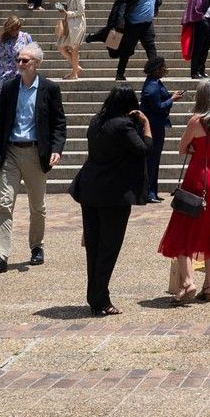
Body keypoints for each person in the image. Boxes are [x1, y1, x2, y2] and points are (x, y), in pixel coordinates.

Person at [0, 44, 65, 276]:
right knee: (5, 203)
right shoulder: (9, 88)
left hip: (36, 152)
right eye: (18, 60)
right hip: (11, 152)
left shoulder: (49, 88)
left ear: (36, 63)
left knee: (37, 206)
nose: (20, 64)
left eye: (25, 61)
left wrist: (56, 148)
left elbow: (59, 122)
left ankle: (37, 246)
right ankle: (0, 255)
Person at [71, 84, 150, 315]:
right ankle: (101, 297)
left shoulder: (97, 121)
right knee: (109, 246)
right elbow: (144, 149)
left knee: (94, 246)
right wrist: (146, 124)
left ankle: (94, 295)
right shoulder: (123, 125)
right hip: (113, 194)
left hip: (90, 189)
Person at [158, 79, 210, 304]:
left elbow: (182, 148)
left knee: (183, 228)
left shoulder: (196, 121)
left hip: (199, 176)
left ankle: (188, 281)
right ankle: (209, 285)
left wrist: (194, 148)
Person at [142, 56, 175, 203]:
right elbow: (158, 107)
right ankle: (149, 192)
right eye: (162, 67)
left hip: (157, 126)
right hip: (153, 127)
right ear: (156, 69)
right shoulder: (152, 86)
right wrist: (172, 99)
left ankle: (153, 191)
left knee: (155, 160)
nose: (164, 70)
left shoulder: (155, 83)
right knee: (152, 160)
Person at [54, 0, 87, 80]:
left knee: (74, 49)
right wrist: (63, 8)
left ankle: (74, 73)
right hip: (69, 23)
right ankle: (76, 68)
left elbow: (81, 11)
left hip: (76, 25)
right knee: (61, 47)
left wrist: (67, 13)